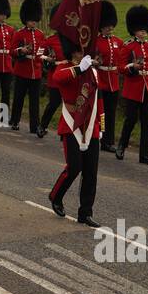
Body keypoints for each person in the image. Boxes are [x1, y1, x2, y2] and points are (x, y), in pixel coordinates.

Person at [47, 36, 103, 227]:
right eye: (79, 51)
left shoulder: (93, 73)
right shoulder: (65, 68)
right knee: (74, 167)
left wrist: (101, 125)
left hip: (91, 125)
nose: (83, 54)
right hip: (72, 123)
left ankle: (85, 212)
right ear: (72, 51)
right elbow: (58, 78)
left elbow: (98, 100)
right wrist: (80, 68)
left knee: (91, 171)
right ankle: (56, 196)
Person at [116, 5, 148, 165]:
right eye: (140, 29)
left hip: (146, 88)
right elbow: (121, 67)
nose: (143, 31)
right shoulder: (128, 47)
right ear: (134, 30)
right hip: (133, 87)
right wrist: (132, 67)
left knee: (147, 121)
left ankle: (144, 154)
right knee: (131, 119)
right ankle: (121, 145)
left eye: (144, 29)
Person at [92, 1, 124, 152]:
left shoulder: (118, 42)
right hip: (101, 81)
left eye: (111, 25)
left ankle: (109, 140)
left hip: (113, 81)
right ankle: (102, 139)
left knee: (111, 113)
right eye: (107, 26)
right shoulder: (96, 42)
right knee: (102, 113)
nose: (110, 28)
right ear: (101, 26)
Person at [10, 0, 45, 133]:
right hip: (21, 71)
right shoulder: (19, 34)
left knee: (34, 102)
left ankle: (34, 125)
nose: (33, 23)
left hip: (36, 71)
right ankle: (15, 121)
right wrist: (21, 51)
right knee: (18, 98)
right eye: (31, 20)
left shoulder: (41, 34)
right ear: (26, 20)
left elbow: (42, 52)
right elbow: (11, 51)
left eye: (35, 20)